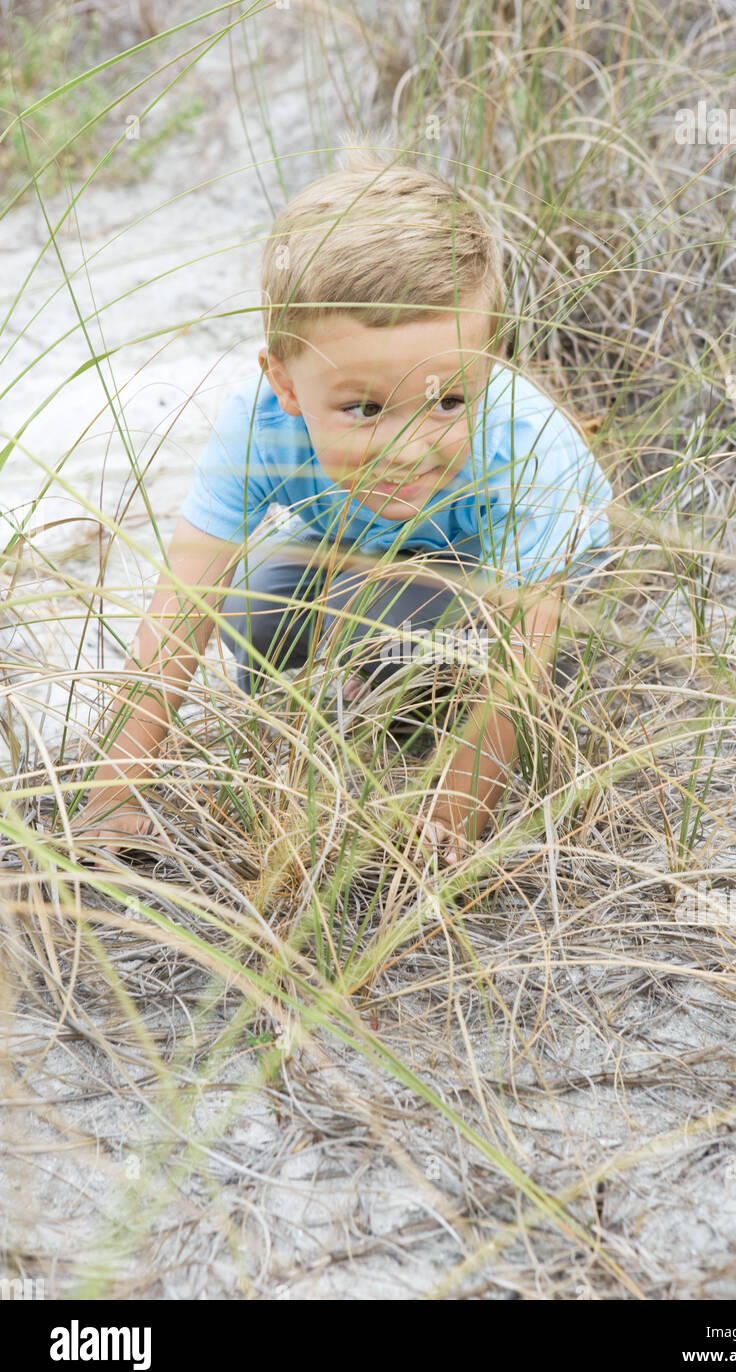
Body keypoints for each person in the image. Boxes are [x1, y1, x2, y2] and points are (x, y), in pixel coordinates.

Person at [72, 141, 613, 866]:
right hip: (363, 553)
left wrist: (452, 823)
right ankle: (367, 681)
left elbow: (520, 655)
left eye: (449, 400)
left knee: (426, 648)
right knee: (253, 615)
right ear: (286, 385)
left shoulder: (524, 447)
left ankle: (409, 689)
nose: (408, 448)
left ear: (486, 365)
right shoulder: (258, 427)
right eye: (364, 409)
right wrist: (112, 797)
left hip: (512, 586)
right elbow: (180, 610)